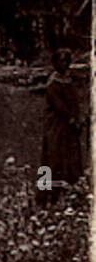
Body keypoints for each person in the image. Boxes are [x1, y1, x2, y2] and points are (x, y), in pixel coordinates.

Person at [40, 49, 85, 200]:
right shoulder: (53, 84)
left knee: (71, 157)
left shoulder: (69, 81)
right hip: (57, 126)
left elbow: (75, 103)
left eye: (67, 61)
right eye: (61, 61)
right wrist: (71, 119)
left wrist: (78, 118)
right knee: (53, 157)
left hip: (69, 128)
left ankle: (72, 189)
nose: (64, 64)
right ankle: (48, 193)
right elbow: (59, 107)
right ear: (55, 64)